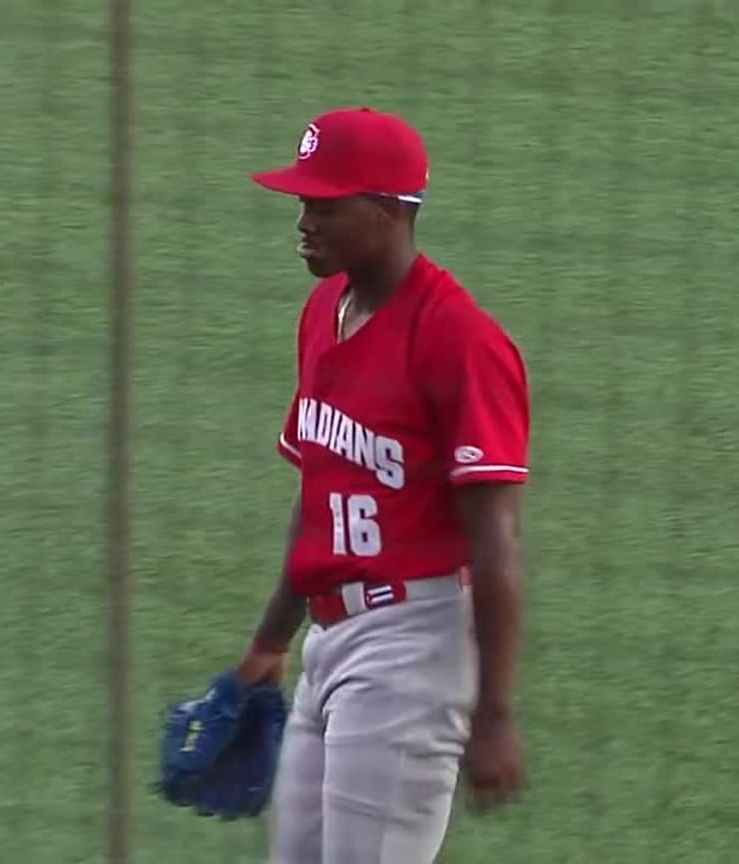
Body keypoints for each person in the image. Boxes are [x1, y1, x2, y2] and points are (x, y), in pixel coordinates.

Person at [241, 107, 532, 864]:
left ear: (389, 210)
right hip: (330, 644)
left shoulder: (459, 339)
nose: (303, 220)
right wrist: (272, 640)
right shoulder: (323, 311)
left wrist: (494, 715)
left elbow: (496, 543)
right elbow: (317, 494)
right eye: (301, 201)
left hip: (414, 651)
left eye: (323, 204)